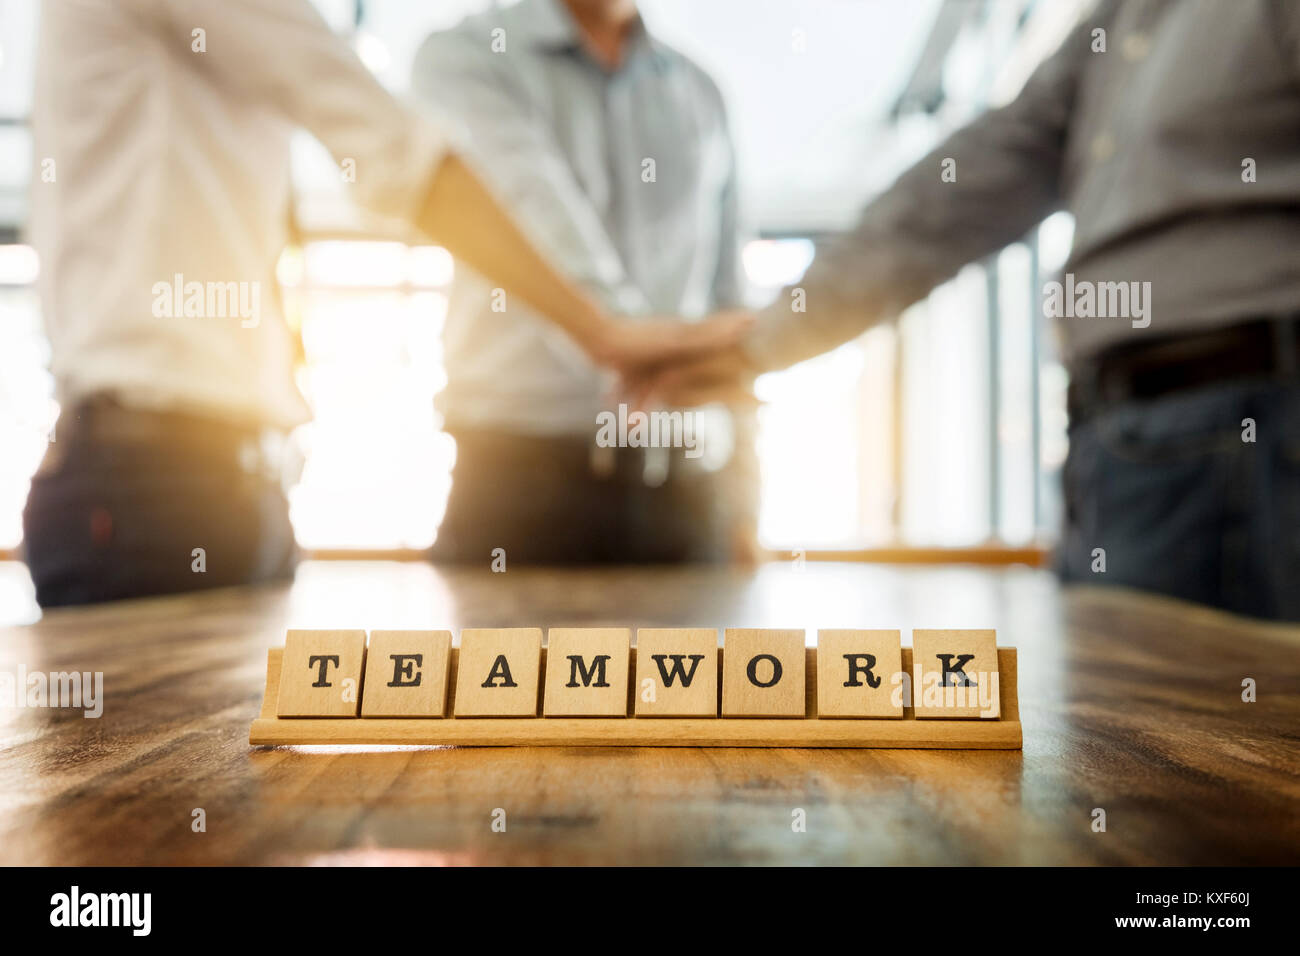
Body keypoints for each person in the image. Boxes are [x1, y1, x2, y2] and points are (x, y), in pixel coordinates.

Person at [23, 0, 747, 607]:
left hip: (211, 479)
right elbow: (392, 147)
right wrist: (606, 329)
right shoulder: (468, 56)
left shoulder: (700, 91)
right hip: (156, 487)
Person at [635, 0, 1300, 621]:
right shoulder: (1118, 24)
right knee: (1132, 733)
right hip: (1117, 443)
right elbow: (959, 192)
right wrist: (762, 344)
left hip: (1256, 420)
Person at [411, 0, 758, 565]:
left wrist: (744, 498)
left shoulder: (701, 92)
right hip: (521, 483)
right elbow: (535, 208)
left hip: (692, 487)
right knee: (504, 658)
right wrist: (622, 335)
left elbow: (729, 292)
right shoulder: (467, 57)